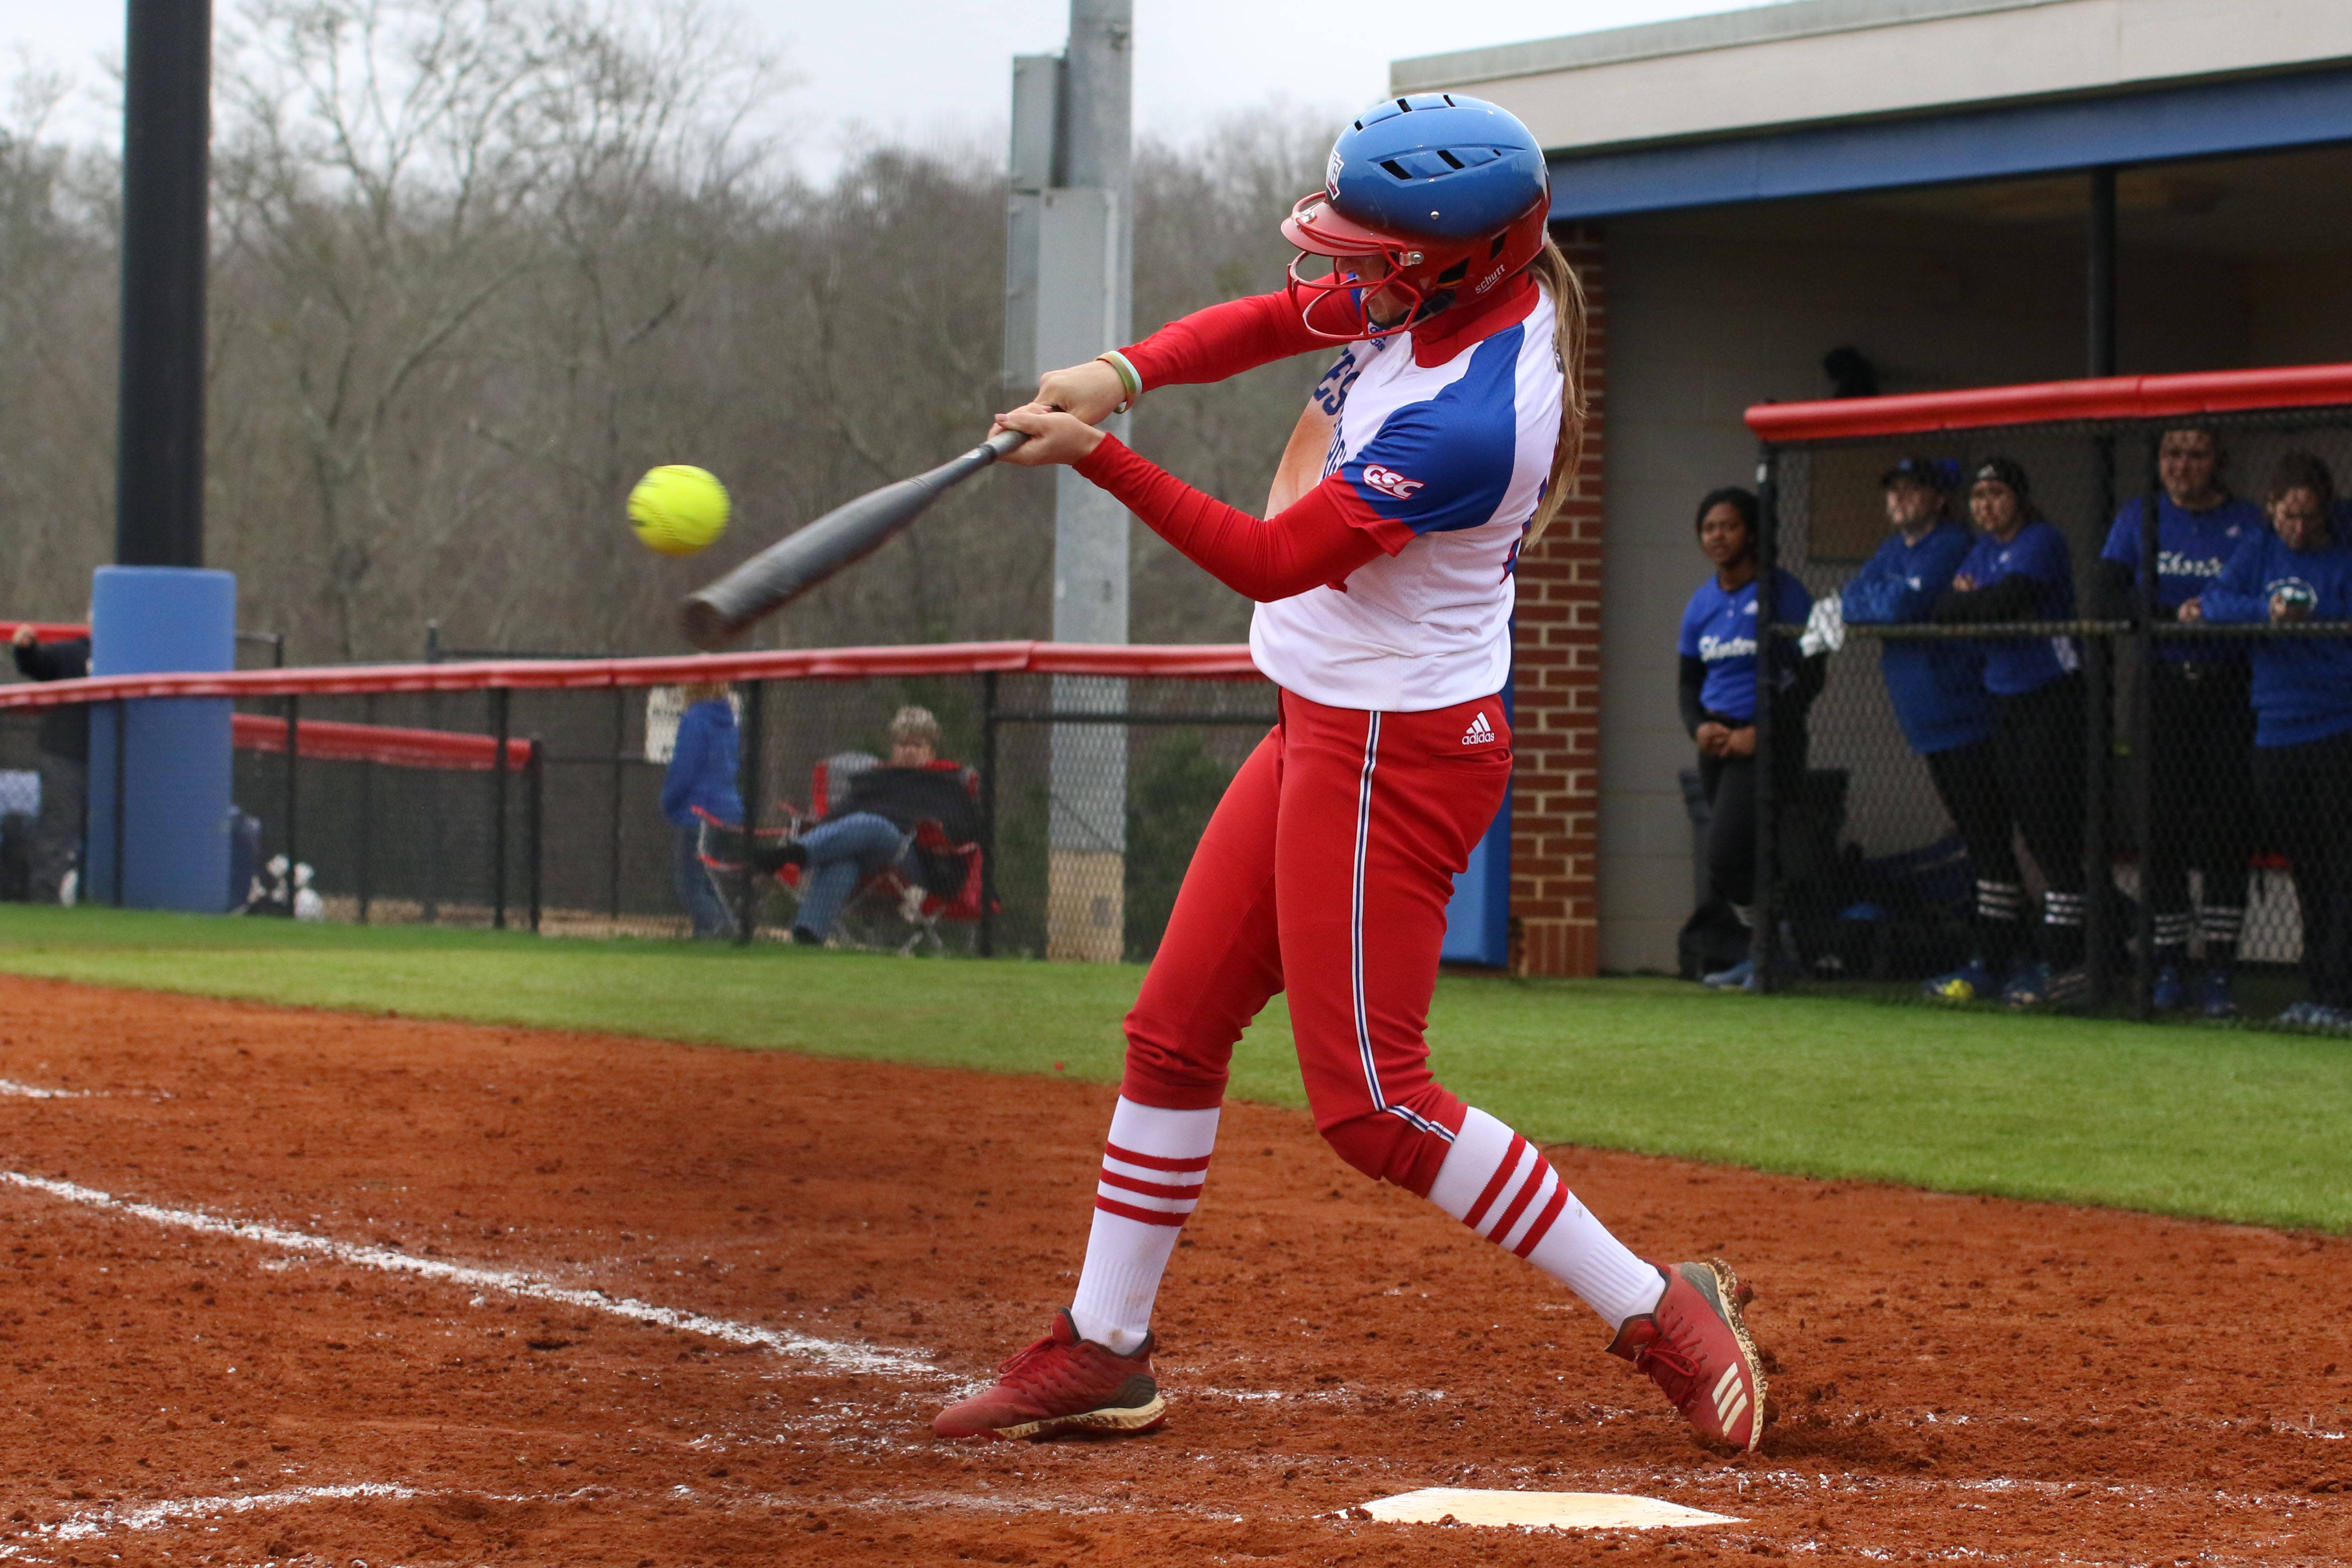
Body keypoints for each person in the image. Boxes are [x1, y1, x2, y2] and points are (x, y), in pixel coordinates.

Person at [929, 95, 1770, 1453]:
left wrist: (1104, 461)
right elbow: (1271, 317)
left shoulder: (1474, 414)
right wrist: (1119, 372)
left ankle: (1657, 1304)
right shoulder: (1425, 290)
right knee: (1172, 1030)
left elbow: (1270, 561)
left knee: (1373, 1101)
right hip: (1325, 723)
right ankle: (1105, 1347)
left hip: (1398, 750)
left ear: (1458, 256)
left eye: (1371, 250)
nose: (1344, 269)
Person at [2094, 427, 2264, 1017]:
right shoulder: (2139, 515)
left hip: (2230, 688)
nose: (2182, 465)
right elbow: (2109, 596)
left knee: (2226, 825)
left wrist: (2213, 616)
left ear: (2219, 460)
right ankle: (2166, 962)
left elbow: (2260, 592)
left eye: (2196, 454)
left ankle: (2219, 968)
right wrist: (2174, 616)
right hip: (2162, 685)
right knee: (2158, 825)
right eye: (2172, 454)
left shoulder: (2248, 520)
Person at [1838, 460, 2016, 1001]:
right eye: (1894, 488)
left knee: (1989, 839)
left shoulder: (1953, 543)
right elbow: (1853, 600)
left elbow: (1903, 605)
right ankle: (2000, 954)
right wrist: (1881, 603)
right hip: (1930, 721)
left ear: (1941, 499)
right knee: (1977, 837)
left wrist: (1885, 604)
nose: (1899, 498)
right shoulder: (1894, 551)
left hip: (1970, 716)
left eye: (1912, 489)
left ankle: (2001, 957)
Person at [2193, 452, 2352, 1030]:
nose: (2300, 528)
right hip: (2276, 728)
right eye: (2290, 516)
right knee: (2307, 864)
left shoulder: (2343, 552)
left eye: (2310, 516)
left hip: (2338, 723)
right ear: (2271, 509)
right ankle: (2319, 988)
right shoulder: (2260, 549)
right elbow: (2214, 602)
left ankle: (2340, 992)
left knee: (2343, 864)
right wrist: (2267, 610)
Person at [1932, 458, 2088, 1009]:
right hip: (2003, 697)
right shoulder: (1981, 550)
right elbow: (1947, 609)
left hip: (2052, 696)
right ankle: (1997, 960)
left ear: (2019, 497)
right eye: (1978, 495)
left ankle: (2067, 963)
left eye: (1997, 493)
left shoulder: (2041, 539)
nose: (1987, 505)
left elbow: (2002, 601)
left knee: (2050, 830)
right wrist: (1970, 602)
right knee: (2013, 822)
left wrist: (1974, 600)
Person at [1676, 486, 1815, 990]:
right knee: (1740, 858)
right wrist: (1700, 727)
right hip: (1718, 740)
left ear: (1751, 532)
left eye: (1728, 526)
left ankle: (1771, 950)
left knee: (1727, 853)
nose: (1718, 536)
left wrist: (1763, 731)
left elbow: (1810, 674)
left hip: (1765, 740)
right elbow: (1688, 681)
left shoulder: (1782, 592)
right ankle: (1767, 953)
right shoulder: (1702, 603)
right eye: (1709, 528)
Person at [756, 705, 981, 947]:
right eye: (903, 745)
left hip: (917, 859)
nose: (908, 752)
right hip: (868, 856)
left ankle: (790, 855)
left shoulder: (946, 782)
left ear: (931, 751)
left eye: (916, 745)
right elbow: (838, 817)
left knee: (873, 824)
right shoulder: (876, 779)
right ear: (893, 748)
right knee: (843, 863)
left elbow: (959, 830)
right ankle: (808, 935)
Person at [10, 621, 90, 905]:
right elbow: (39, 664)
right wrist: (27, 650)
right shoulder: (74, 654)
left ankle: (100, 896)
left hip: (116, 764)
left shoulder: (135, 659)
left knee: (111, 834)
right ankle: (44, 898)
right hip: (65, 756)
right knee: (58, 828)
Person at [658, 681, 742, 938]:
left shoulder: (695, 720)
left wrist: (668, 802)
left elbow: (685, 769)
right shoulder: (729, 721)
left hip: (699, 811)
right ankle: (721, 930)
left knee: (689, 881)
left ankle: (717, 930)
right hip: (728, 809)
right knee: (707, 881)